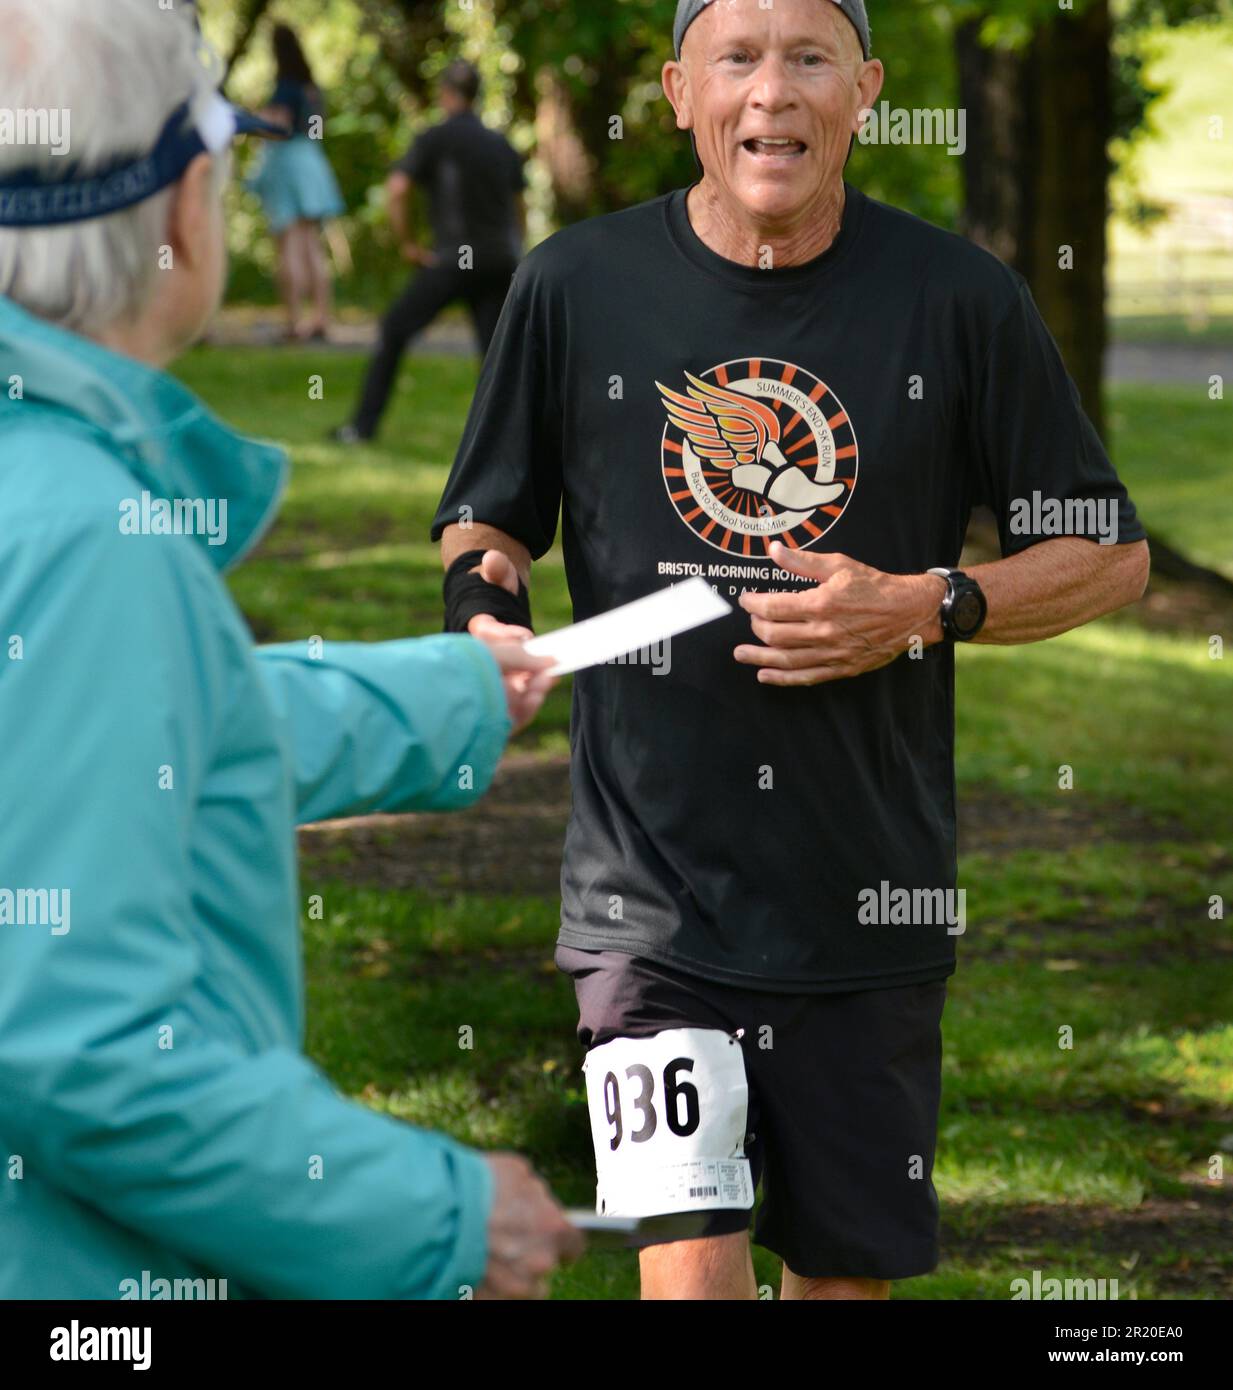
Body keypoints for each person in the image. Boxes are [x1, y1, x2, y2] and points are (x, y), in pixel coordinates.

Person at [433, 0, 1151, 1301]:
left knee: (841, 1284)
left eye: (810, 58)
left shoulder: (958, 299)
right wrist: (482, 617)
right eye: (739, 59)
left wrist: (929, 602)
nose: (774, 93)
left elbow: (1106, 549)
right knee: (691, 1267)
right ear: (676, 91)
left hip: (867, 893)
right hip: (646, 895)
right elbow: (486, 523)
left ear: (865, 90)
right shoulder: (574, 287)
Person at [0, 0, 580, 1301]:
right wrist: (434, 1218)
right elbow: (88, 1052)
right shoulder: (90, 532)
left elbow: (97, 736)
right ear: (185, 204)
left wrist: (441, 693)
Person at [334, 60, 526, 443]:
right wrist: (515, 246)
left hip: (453, 259)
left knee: (394, 329)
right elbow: (519, 202)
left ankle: (361, 427)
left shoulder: (434, 138)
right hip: (499, 260)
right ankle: (505, 441)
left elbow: (397, 189)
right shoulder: (498, 142)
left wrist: (407, 243)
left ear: (445, 94)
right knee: (496, 356)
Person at [247, 23, 344, 342]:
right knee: (311, 245)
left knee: (288, 244)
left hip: (287, 162)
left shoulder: (286, 87)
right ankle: (322, 319)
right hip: (312, 160)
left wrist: (249, 123)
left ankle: (294, 322)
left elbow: (278, 126)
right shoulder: (311, 89)